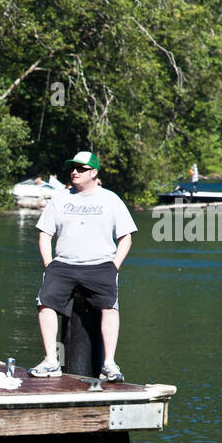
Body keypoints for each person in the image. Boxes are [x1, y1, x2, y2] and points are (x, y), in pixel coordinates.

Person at [29, 150, 137, 382]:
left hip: (100, 265)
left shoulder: (110, 199)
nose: (74, 172)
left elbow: (126, 236)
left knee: (109, 307)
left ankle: (109, 364)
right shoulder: (61, 198)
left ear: (94, 172)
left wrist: (114, 265)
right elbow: (45, 234)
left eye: (81, 169)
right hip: (63, 265)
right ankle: (51, 361)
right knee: (45, 304)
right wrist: (49, 265)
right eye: (73, 168)